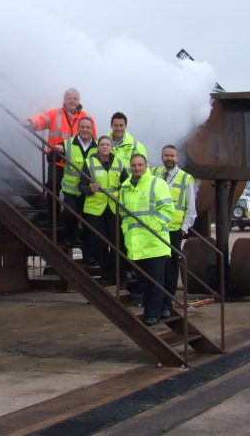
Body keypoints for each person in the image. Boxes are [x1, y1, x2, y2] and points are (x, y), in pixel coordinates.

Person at [24, 89, 96, 228]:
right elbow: (41, 120)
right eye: (69, 98)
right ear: (64, 100)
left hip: (77, 164)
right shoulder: (54, 113)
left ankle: (78, 225)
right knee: (52, 188)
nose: (72, 101)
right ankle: (53, 221)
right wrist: (29, 122)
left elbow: (93, 140)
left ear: (79, 101)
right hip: (57, 160)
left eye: (75, 98)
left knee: (78, 192)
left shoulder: (87, 117)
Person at [120, 153, 174, 325]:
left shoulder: (157, 183)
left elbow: (167, 209)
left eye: (140, 165)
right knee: (144, 282)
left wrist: (154, 227)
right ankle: (151, 309)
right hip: (136, 244)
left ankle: (153, 313)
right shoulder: (125, 187)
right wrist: (125, 230)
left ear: (146, 165)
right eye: (134, 165)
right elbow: (123, 213)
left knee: (155, 281)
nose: (137, 168)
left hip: (154, 242)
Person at [152, 145, 197, 318]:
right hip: (155, 228)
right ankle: (156, 301)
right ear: (162, 157)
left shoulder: (186, 179)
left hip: (173, 230)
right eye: (166, 155)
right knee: (156, 267)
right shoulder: (155, 173)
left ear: (177, 158)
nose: (169, 158)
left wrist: (184, 229)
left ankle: (167, 303)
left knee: (170, 269)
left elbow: (191, 208)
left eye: (172, 155)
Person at [80, 135, 128, 283]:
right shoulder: (89, 163)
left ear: (111, 147)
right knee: (100, 243)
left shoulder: (119, 163)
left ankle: (117, 276)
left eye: (108, 144)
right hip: (95, 210)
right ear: (98, 147)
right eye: (102, 144)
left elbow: (126, 185)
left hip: (114, 208)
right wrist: (90, 189)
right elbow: (80, 186)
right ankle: (105, 275)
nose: (105, 147)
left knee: (117, 243)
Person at [52, 117, 97, 250]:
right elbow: (50, 158)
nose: (85, 130)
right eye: (82, 127)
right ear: (78, 128)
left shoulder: (98, 146)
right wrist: (56, 151)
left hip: (89, 191)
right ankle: (71, 238)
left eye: (88, 127)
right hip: (71, 190)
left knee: (88, 222)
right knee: (70, 214)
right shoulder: (67, 144)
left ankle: (88, 254)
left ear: (92, 129)